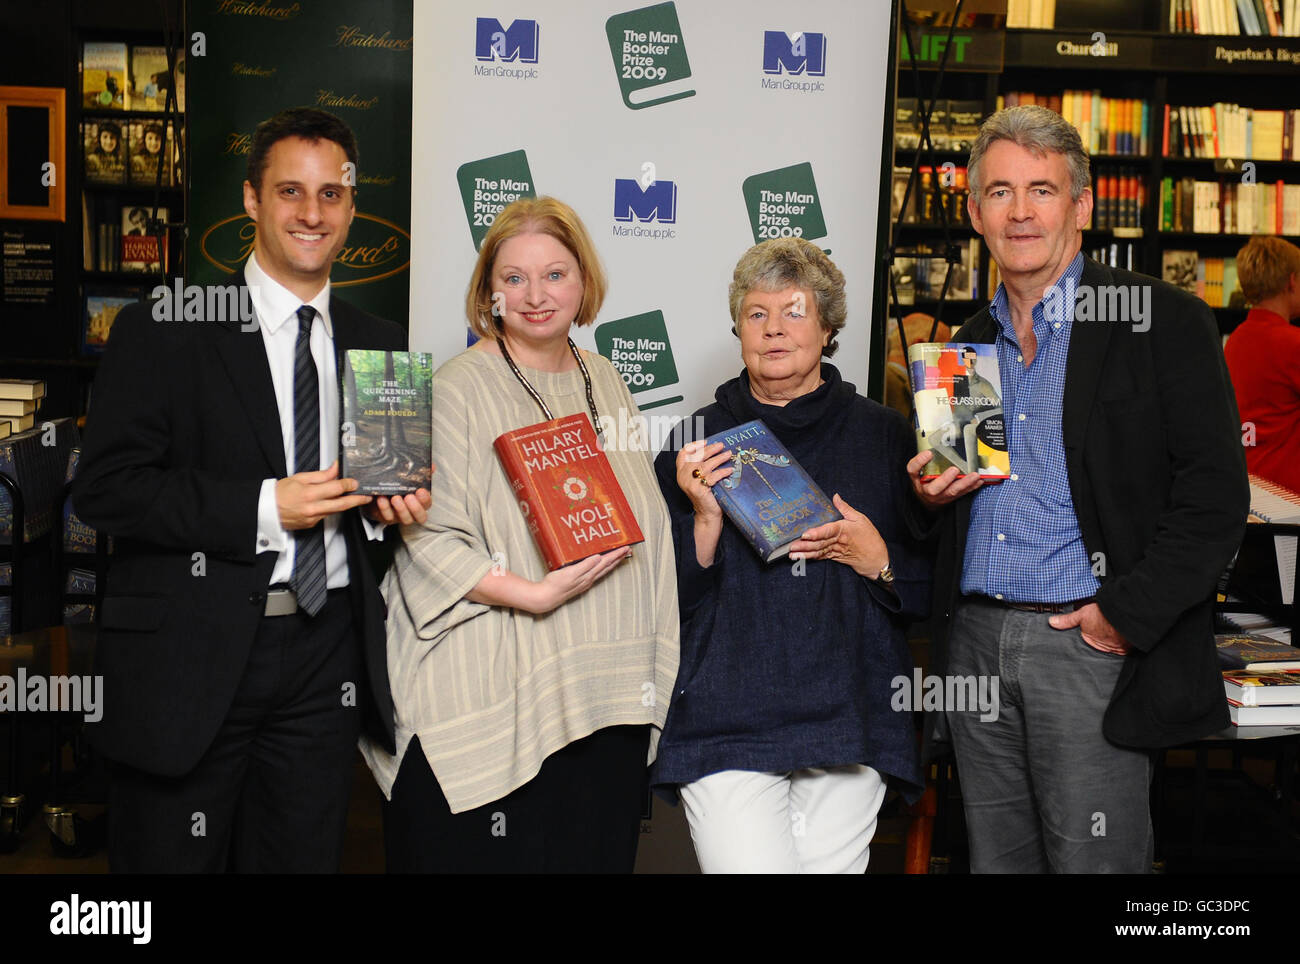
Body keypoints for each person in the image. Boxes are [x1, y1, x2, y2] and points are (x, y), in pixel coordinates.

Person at [73, 107, 430, 873]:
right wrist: (266, 508)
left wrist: (389, 513)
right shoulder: (164, 327)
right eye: (290, 191)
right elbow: (106, 492)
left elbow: (383, 508)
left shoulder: (380, 343)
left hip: (326, 654)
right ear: (250, 201)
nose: (312, 213)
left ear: (352, 207)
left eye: (332, 194)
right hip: (188, 660)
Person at [910, 105, 1248, 873]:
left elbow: (1215, 500)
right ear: (973, 212)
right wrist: (931, 499)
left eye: (1042, 189)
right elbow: (949, 506)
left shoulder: (1162, 322)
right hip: (975, 647)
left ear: (1082, 206)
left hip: (1089, 647)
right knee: (997, 862)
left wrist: (1119, 621)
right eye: (999, 192)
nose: (1021, 211)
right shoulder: (962, 346)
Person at [362, 196, 679, 873]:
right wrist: (528, 594)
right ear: (489, 292)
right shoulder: (452, 389)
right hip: (493, 697)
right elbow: (426, 541)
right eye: (514, 278)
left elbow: (640, 523)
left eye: (556, 274)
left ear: (584, 282)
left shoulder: (609, 381)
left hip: (608, 697)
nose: (536, 296)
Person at [650, 236, 929, 874]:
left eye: (795, 312)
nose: (774, 330)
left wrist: (876, 558)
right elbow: (667, 598)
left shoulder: (885, 435)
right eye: (756, 314)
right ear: (738, 327)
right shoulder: (694, 442)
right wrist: (704, 518)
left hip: (850, 708)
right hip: (728, 712)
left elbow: (926, 585)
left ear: (828, 328)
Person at [1224, 236, 1300, 493]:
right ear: (1292, 281)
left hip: (1248, 485)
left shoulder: (1236, 340)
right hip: (1287, 498)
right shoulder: (1292, 343)